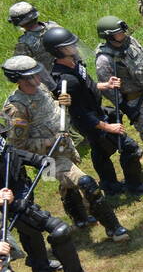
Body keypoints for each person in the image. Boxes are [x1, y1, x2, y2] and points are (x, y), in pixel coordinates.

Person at [2, 54, 130, 238]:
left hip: (65, 147)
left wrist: (62, 104)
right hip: (49, 157)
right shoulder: (16, 108)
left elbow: (50, 113)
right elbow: (16, 147)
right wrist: (47, 142)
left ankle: (80, 218)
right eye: (32, 76)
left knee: (68, 184)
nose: (39, 77)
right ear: (19, 80)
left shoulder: (42, 89)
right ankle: (114, 228)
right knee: (86, 183)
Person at [44, 26, 143, 195]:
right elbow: (79, 113)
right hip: (91, 120)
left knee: (100, 152)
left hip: (96, 113)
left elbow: (87, 87)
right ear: (59, 51)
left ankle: (109, 184)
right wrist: (107, 127)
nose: (75, 47)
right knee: (130, 148)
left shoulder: (74, 64)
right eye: (70, 45)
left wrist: (105, 85)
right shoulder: (66, 80)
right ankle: (134, 186)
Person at [1, 129, 98, 272]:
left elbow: (12, 153)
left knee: (30, 232)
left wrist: (38, 160)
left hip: (21, 194)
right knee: (59, 230)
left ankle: (41, 266)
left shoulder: (2, 143)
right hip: (11, 204)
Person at [93, 15, 143, 172]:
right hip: (132, 100)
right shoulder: (104, 60)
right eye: (119, 32)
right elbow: (110, 91)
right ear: (109, 36)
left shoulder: (130, 42)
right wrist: (126, 108)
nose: (123, 33)